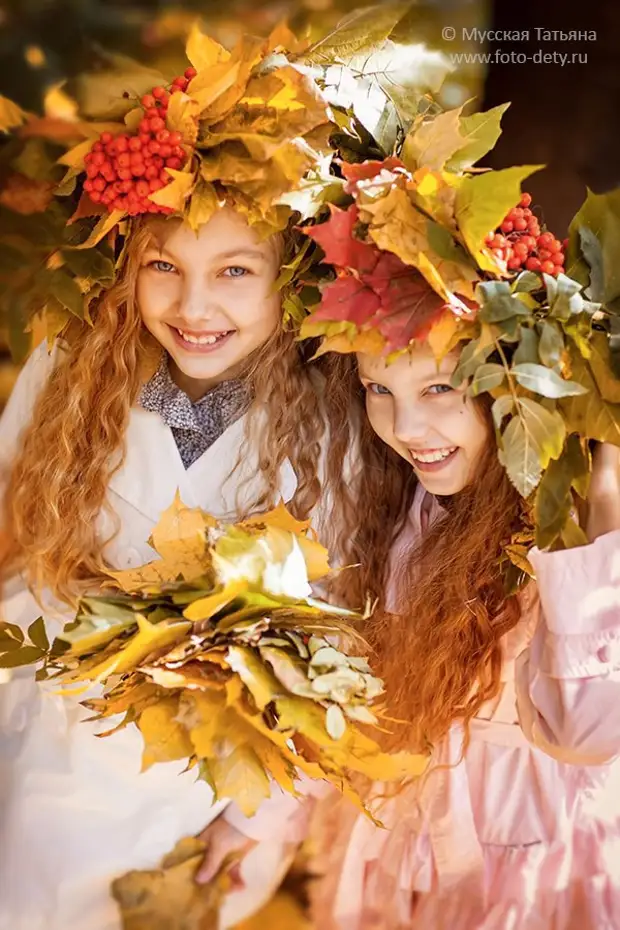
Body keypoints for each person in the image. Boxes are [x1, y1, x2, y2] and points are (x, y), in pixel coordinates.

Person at [198, 152, 620, 930]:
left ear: (514, 383)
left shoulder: (574, 533)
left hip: (522, 878)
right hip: (397, 855)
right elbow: (359, 697)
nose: (407, 430)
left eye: (438, 391)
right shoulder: (401, 507)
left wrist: (600, 502)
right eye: (379, 393)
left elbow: (588, 729)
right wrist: (259, 822)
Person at [0, 33, 354, 930]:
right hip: (62, 743)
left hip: (223, 779)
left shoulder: (337, 419)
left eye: (235, 273)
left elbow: (350, 626)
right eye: (165, 267)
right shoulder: (72, 361)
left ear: (291, 280)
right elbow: (11, 513)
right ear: (129, 267)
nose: (195, 308)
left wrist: (257, 809)